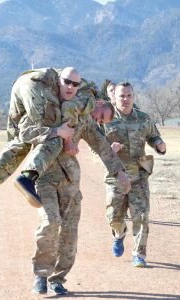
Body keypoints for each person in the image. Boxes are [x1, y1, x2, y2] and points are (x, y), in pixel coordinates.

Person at [27, 101, 130, 296]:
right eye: (99, 115)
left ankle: (57, 279)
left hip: (71, 184)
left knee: (69, 235)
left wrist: (119, 172)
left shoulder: (86, 123)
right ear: (97, 103)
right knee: (50, 223)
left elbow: (102, 147)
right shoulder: (56, 109)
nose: (97, 120)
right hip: (45, 180)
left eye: (101, 121)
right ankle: (41, 274)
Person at [0, 67, 103, 214]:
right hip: (36, 87)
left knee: (21, 141)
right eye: (101, 116)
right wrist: (65, 135)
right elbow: (69, 107)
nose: (98, 119)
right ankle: (28, 177)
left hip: (21, 84)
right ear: (101, 103)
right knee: (56, 135)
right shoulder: (90, 98)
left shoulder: (77, 84)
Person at [103, 82, 166, 267]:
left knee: (142, 215)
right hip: (115, 175)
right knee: (114, 216)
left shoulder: (143, 119)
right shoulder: (105, 119)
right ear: (114, 97)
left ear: (133, 96)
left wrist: (159, 144)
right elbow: (94, 145)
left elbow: (153, 136)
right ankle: (119, 233)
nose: (125, 99)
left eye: (129, 95)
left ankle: (139, 254)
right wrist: (108, 149)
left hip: (139, 175)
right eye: (122, 96)